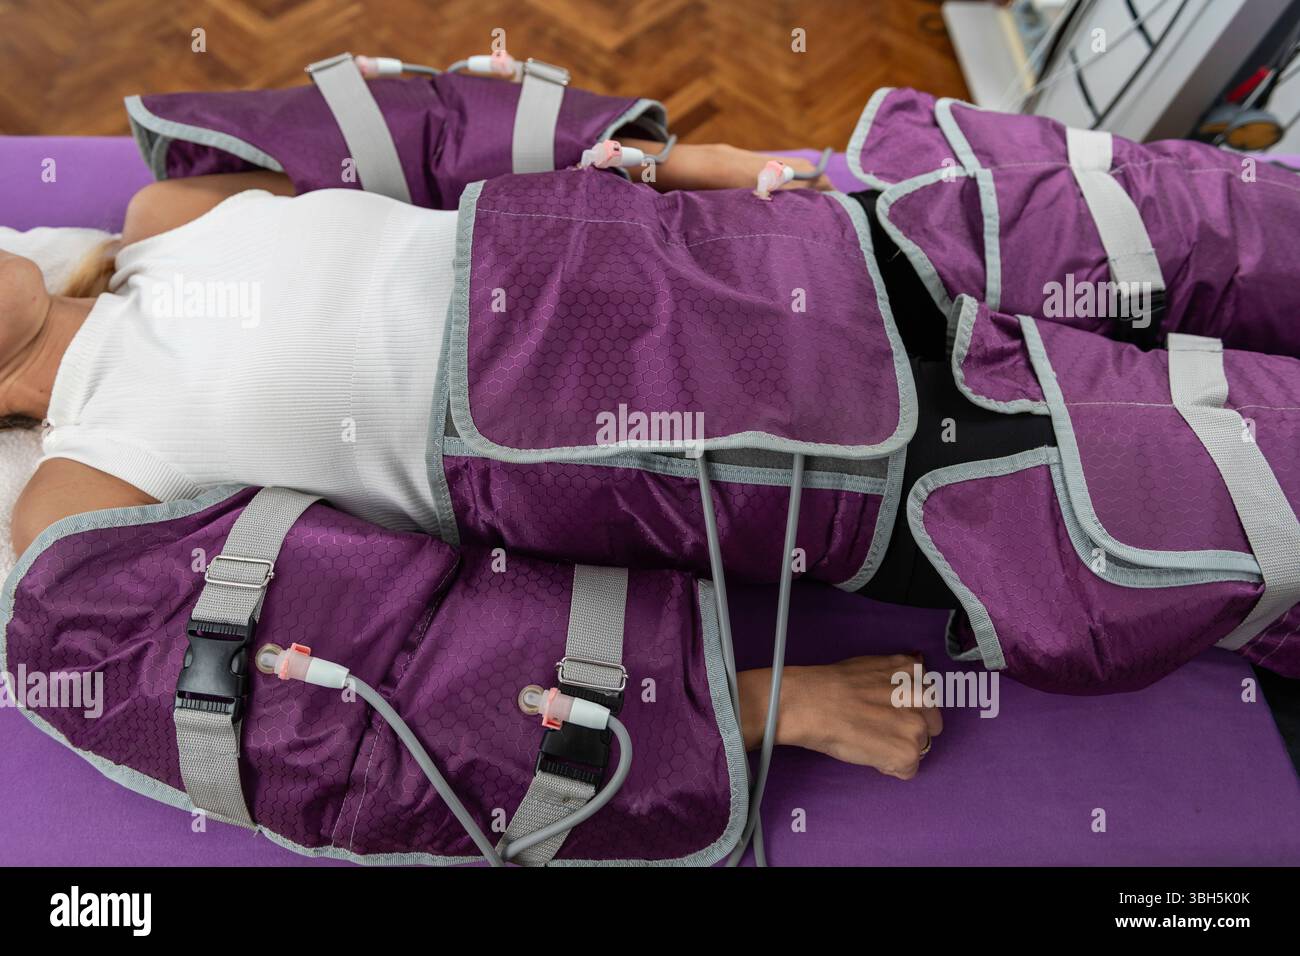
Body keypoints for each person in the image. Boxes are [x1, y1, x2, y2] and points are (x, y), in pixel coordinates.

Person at [0, 145, 948, 781]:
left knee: (1056, 247)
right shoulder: (78, 492)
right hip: (707, 460)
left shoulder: (165, 215)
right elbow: (359, 677)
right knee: (1072, 497)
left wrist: (668, 164)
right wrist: (763, 705)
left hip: (734, 254)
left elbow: (447, 158)